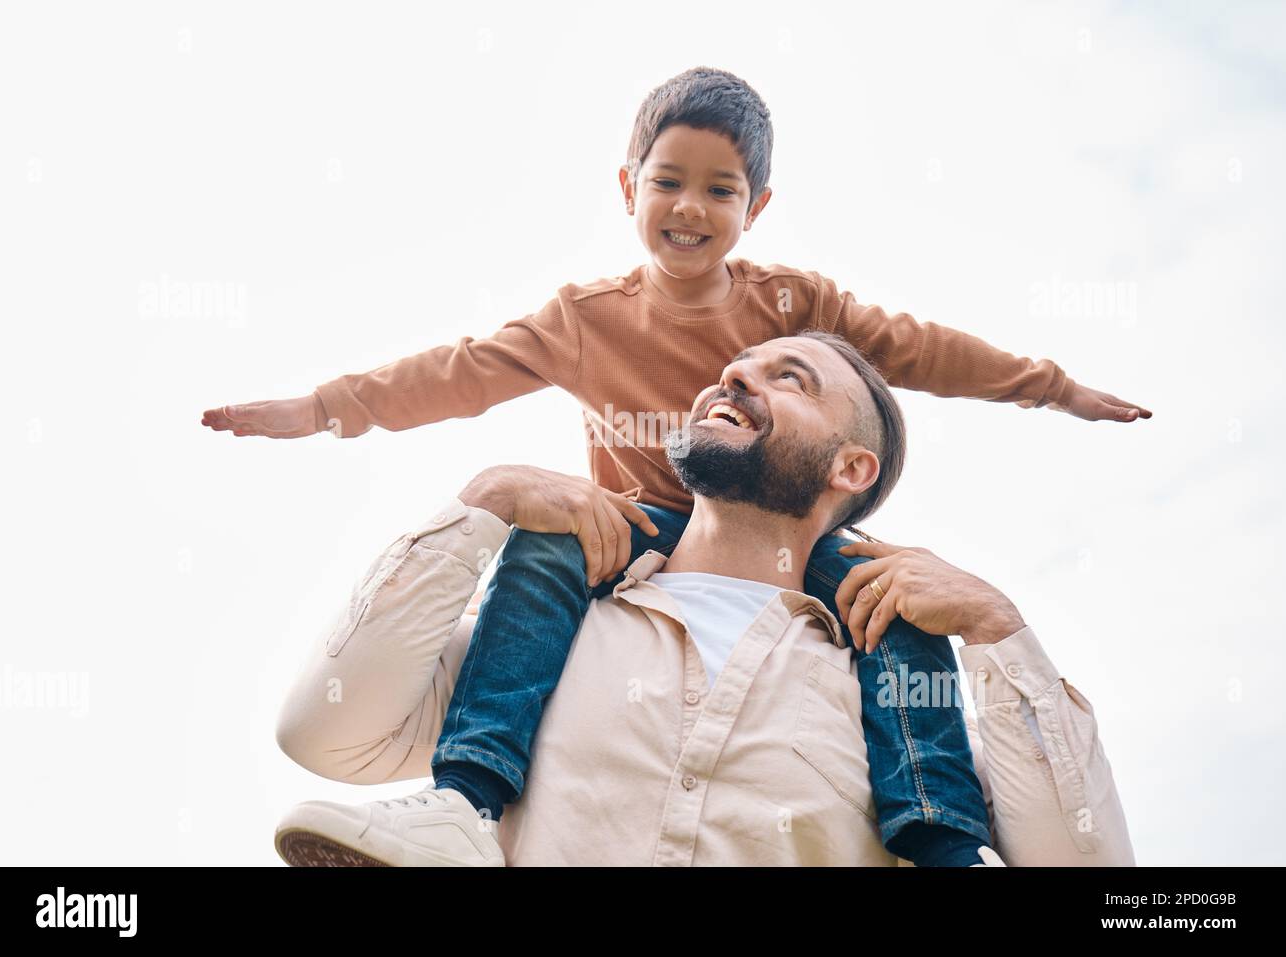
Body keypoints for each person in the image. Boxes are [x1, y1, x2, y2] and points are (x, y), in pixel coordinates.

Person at [205, 67, 1150, 865]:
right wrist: (324, 407)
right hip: (626, 538)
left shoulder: (795, 302)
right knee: (549, 537)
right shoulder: (583, 319)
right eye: (667, 182)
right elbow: (456, 372)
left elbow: (923, 350)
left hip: (798, 552)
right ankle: (467, 801)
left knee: (893, 605)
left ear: (757, 206)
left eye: (720, 189)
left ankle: (945, 846)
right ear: (627, 188)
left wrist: (1052, 387)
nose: (690, 208)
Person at [272, 332, 1135, 866]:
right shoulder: (540, 640)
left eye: (790, 377)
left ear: (851, 468)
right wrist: (483, 502)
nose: (732, 379)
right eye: (732, 368)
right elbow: (322, 732)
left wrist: (997, 630)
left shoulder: (903, 707)